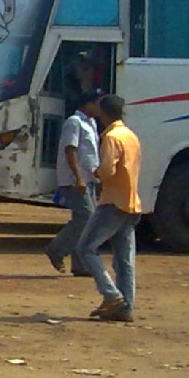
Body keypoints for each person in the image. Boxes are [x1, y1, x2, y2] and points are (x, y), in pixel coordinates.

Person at [74, 95, 143, 322]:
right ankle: (126, 306)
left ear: (104, 113)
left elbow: (107, 170)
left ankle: (112, 296)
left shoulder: (111, 137)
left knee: (86, 248)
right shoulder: (130, 136)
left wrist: (95, 174)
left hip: (112, 201)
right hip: (131, 202)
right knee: (124, 258)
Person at [44, 90, 101, 275]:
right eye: (97, 103)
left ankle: (80, 264)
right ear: (87, 104)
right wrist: (78, 177)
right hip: (76, 179)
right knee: (87, 217)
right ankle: (56, 249)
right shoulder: (74, 122)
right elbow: (71, 150)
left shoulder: (91, 123)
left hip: (89, 178)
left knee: (83, 220)